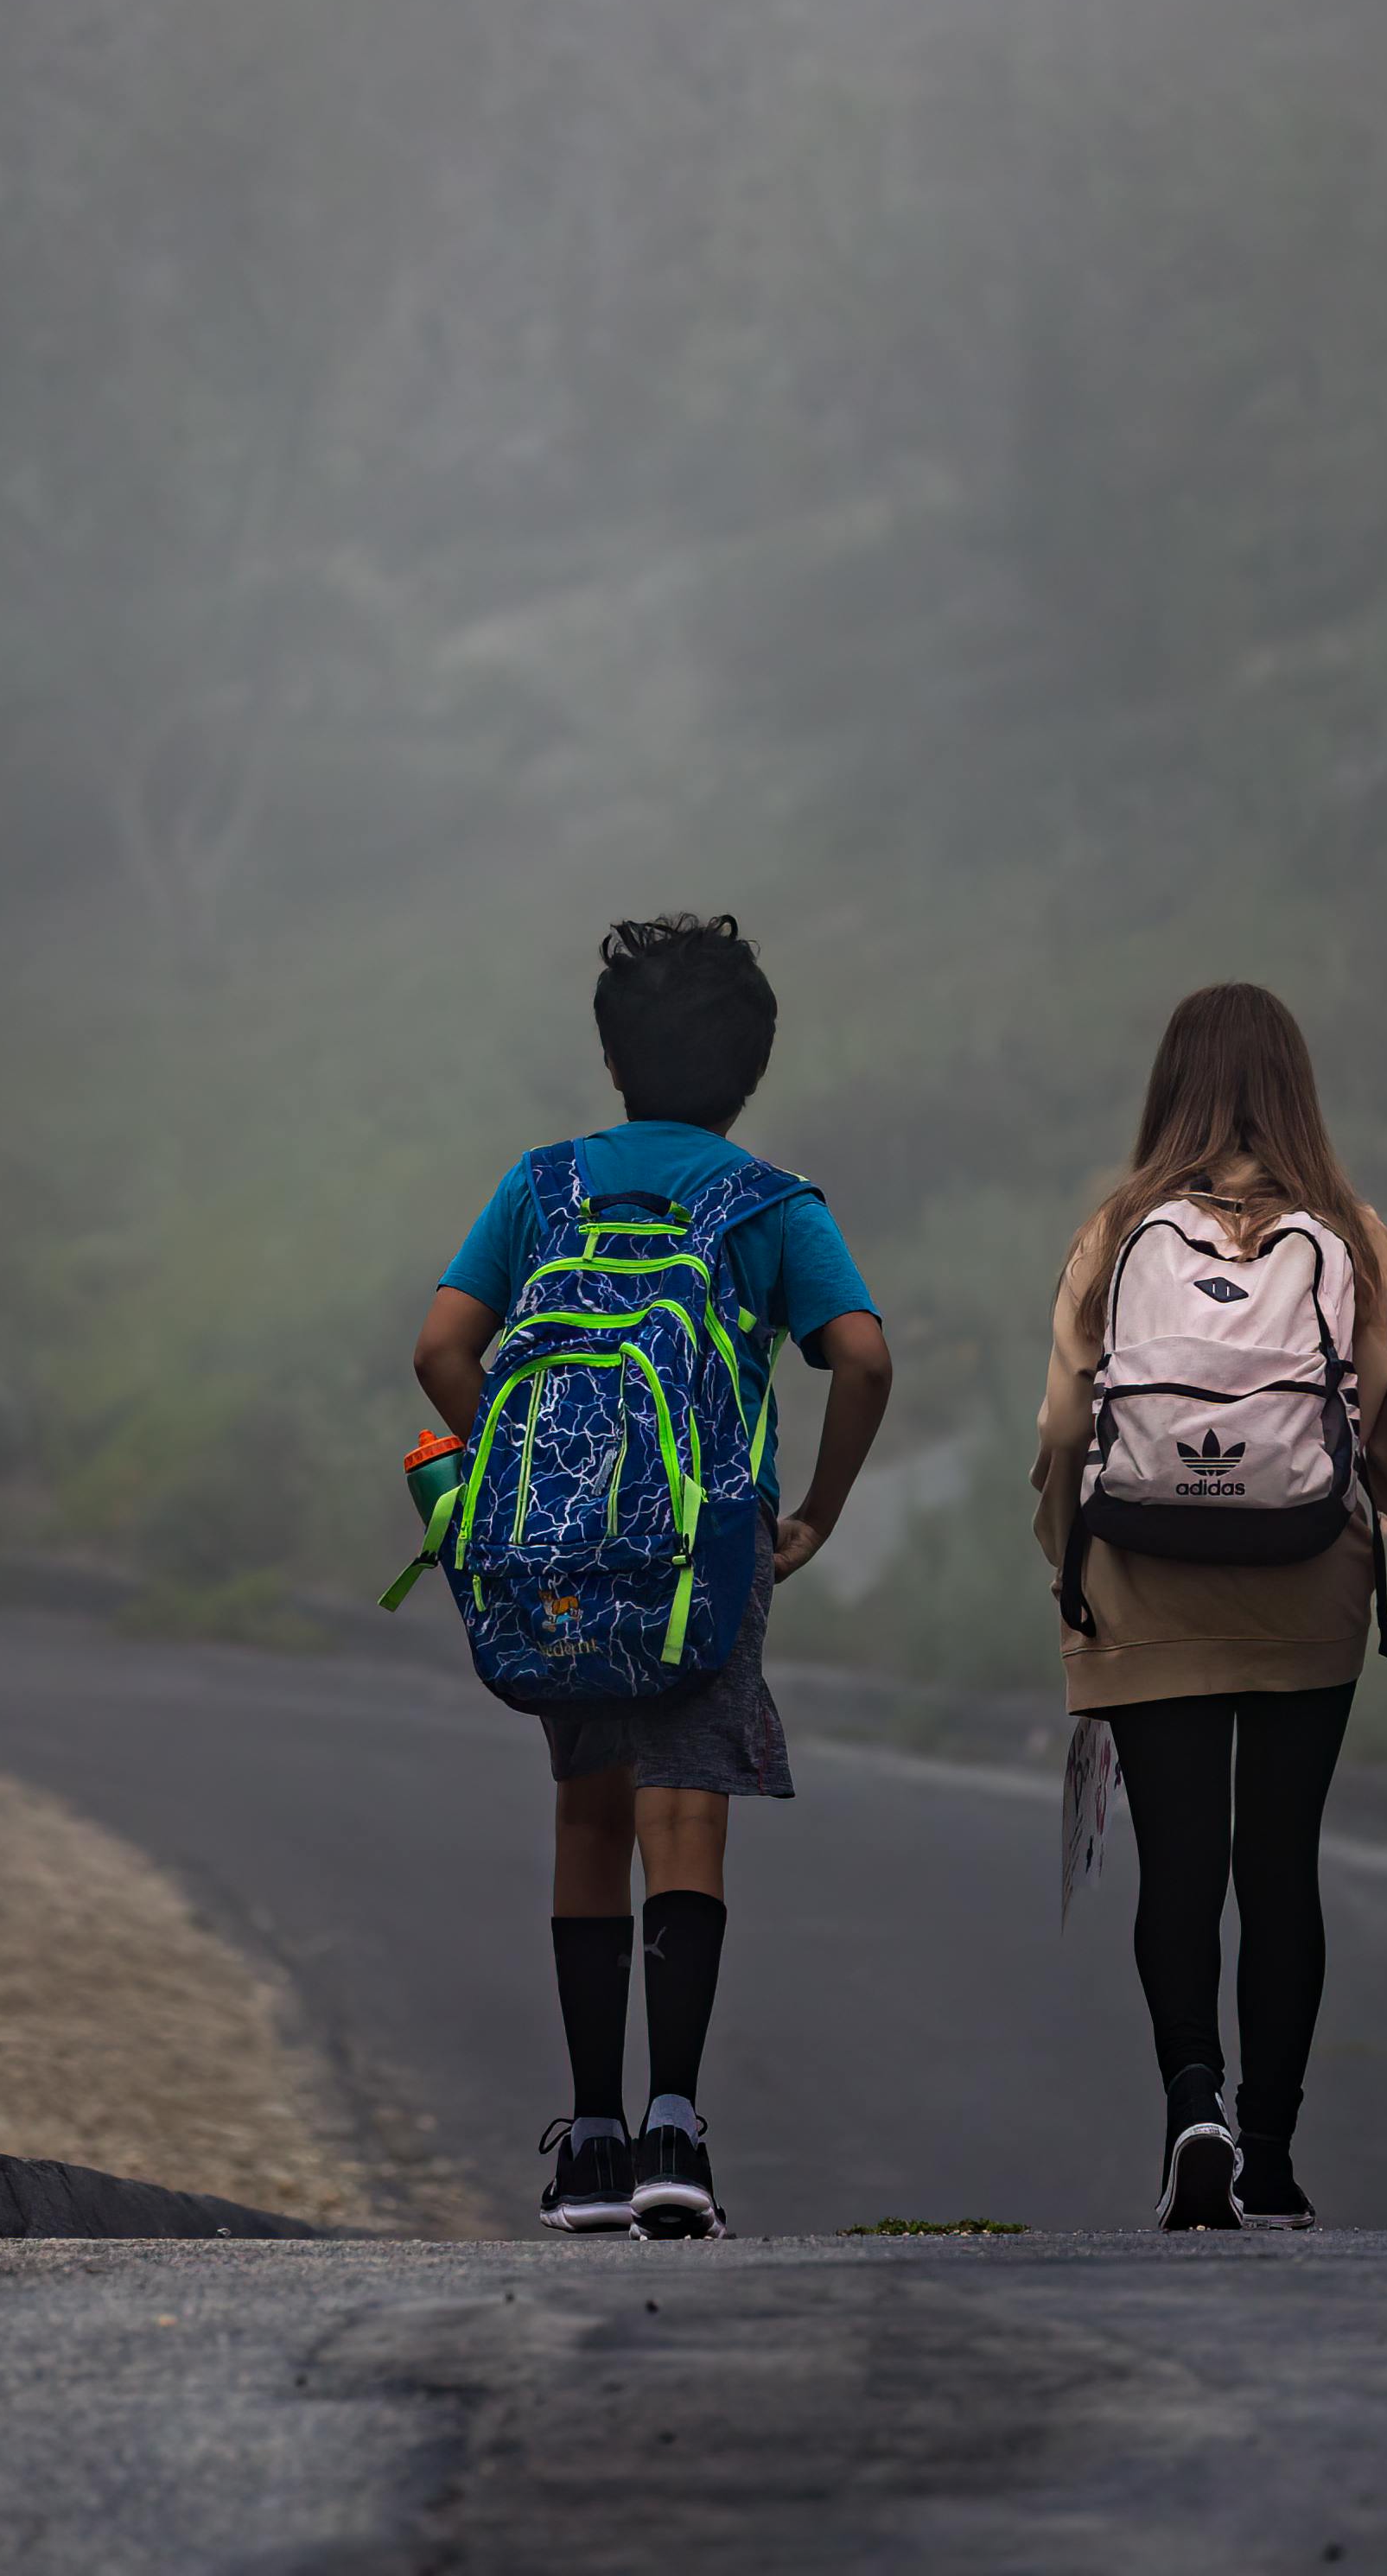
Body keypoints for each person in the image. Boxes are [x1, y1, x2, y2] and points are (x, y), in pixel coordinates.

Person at [414, 914, 894, 2237]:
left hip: (560, 1555)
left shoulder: (543, 1185)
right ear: (750, 1068)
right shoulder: (770, 1206)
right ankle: (677, 2127)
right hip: (708, 1549)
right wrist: (817, 1514)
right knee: (687, 1814)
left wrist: (519, 1476)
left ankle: (589, 2143)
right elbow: (861, 1358)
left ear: (614, 1057)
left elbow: (441, 1348)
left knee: (588, 1814)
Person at [1030, 983, 1387, 2229]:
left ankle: (1192, 2105)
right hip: (1306, 1583)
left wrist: (1074, 1572)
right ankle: (1267, 2156)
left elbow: (1065, 1429)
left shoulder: (1114, 1232)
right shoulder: (1356, 1237)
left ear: (1172, 1088)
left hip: (1144, 1585)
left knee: (1179, 1867)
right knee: (1278, 1869)